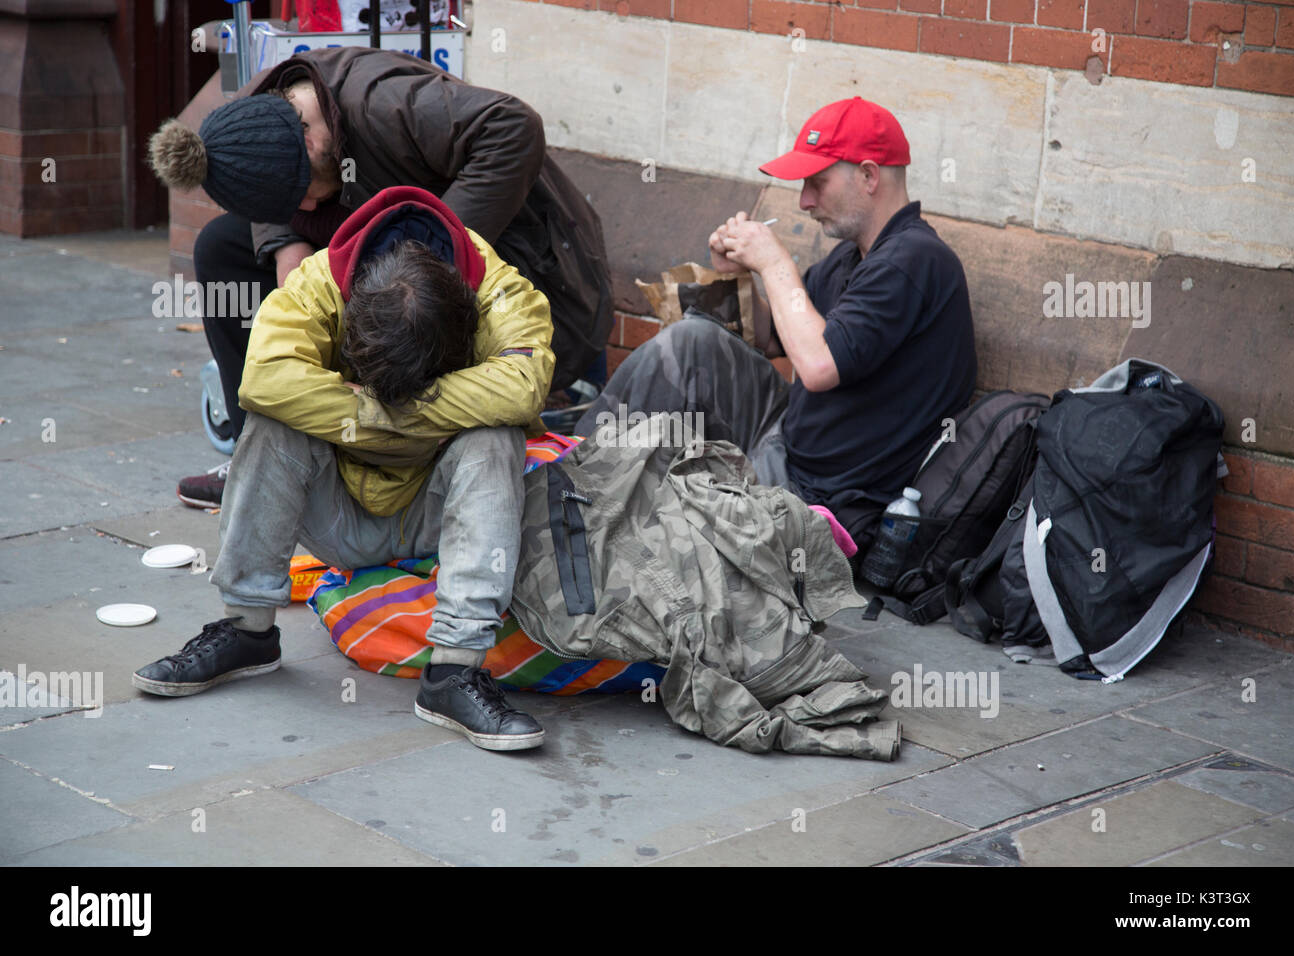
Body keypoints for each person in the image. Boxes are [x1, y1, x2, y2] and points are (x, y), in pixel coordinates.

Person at [132, 186, 554, 752]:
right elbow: (263, 378)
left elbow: (525, 387)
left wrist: (383, 405)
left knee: (498, 434)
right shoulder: (318, 281)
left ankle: (453, 671)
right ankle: (247, 629)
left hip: (438, 504)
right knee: (271, 422)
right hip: (341, 514)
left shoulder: (497, 286)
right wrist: (409, 407)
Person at [148, 46, 612, 507]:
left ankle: (397, 442)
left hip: (503, 249)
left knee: (401, 298)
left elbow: (515, 128)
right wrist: (282, 242)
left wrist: (430, 251)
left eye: (300, 195)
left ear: (310, 143)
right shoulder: (264, 112)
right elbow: (269, 186)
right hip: (371, 223)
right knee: (222, 250)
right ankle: (261, 464)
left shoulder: (387, 103)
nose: (304, 209)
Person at [575, 97, 977, 559]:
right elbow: (773, 340)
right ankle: (574, 478)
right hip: (788, 437)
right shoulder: (855, 256)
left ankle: (581, 507)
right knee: (693, 342)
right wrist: (737, 275)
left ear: (868, 176)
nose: (805, 201)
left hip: (828, 494)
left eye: (817, 183)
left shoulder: (915, 260)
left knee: (661, 529)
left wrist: (773, 260)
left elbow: (819, 364)